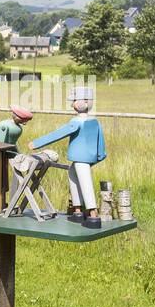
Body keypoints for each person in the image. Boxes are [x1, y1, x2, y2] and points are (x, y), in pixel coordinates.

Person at [30, 87, 106, 229]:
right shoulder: (95, 121)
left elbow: (59, 134)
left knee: (85, 183)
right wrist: (100, 156)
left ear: (84, 102)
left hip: (80, 158)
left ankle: (93, 215)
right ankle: (77, 211)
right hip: (85, 158)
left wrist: (36, 143)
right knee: (73, 176)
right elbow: (100, 141)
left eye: (74, 102)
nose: (72, 105)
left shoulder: (76, 121)